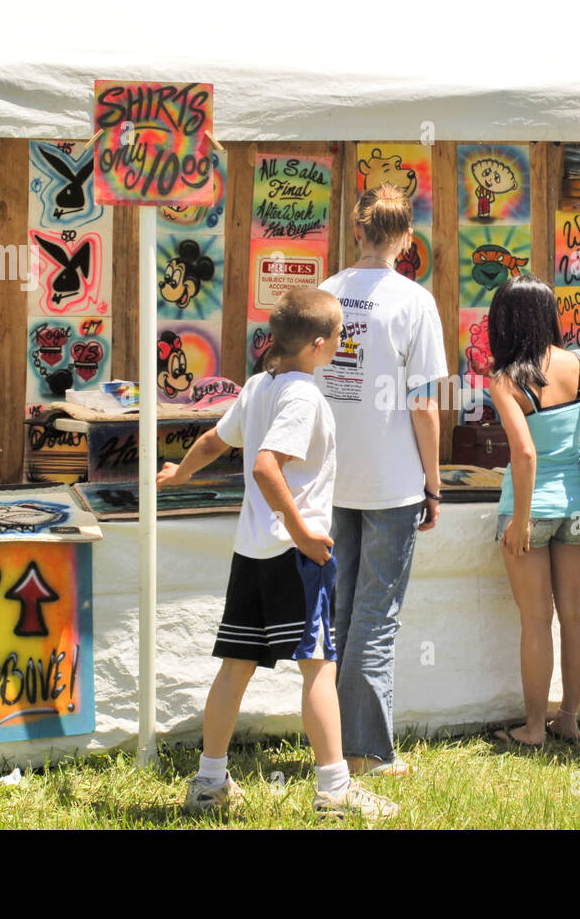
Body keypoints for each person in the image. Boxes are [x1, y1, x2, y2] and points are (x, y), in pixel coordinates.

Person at [158, 286, 397, 819]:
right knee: (317, 668)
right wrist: (304, 533)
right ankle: (335, 791)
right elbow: (267, 466)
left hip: (252, 554)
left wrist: (181, 472)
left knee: (235, 666)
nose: (342, 341)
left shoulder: (259, 387)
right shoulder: (304, 396)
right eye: (339, 335)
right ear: (316, 345)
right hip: (295, 555)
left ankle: (208, 782)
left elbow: (216, 440)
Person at [316, 183, 449, 776]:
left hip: (331, 475)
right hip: (392, 479)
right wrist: (434, 480)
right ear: (407, 238)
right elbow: (425, 405)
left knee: (344, 611)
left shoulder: (324, 293)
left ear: (357, 230)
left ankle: (338, 743)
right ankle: (363, 752)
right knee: (375, 616)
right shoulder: (413, 301)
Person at [487, 274, 580, 747]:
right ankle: (568, 718)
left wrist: (521, 519)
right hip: (578, 506)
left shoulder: (507, 379)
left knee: (536, 620)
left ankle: (533, 728)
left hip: (530, 509)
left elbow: (525, 454)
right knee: (575, 614)